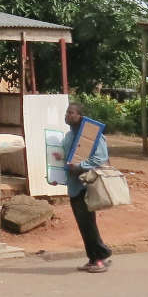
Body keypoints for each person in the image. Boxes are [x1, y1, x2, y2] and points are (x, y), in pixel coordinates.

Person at [63, 102, 112, 273]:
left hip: (87, 185)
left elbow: (100, 158)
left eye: (71, 113)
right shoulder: (68, 137)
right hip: (73, 186)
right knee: (84, 224)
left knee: (88, 223)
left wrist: (79, 166)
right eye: (67, 112)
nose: (67, 115)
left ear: (80, 117)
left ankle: (99, 257)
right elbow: (64, 161)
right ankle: (95, 257)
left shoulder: (92, 136)